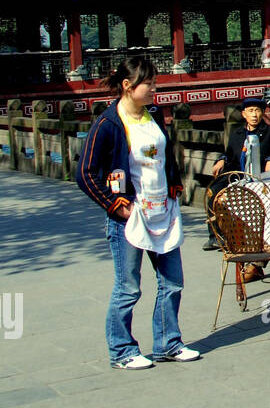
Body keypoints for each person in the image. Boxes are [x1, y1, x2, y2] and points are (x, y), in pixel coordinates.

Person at [76, 57, 200, 369]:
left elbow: (165, 157)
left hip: (162, 211)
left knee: (172, 282)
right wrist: (115, 203)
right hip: (129, 218)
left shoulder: (154, 115)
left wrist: (173, 184)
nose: (155, 89)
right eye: (149, 84)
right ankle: (122, 350)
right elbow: (85, 173)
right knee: (128, 287)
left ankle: (168, 343)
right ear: (128, 87)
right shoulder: (108, 124)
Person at [209, 97, 270, 273]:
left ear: (263, 113)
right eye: (251, 111)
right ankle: (217, 236)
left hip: (260, 177)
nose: (254, 115)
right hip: (237, 174)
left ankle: (259, 251)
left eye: (258, 110)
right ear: (244, 114)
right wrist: (222, 160)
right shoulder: (237, 133)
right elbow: (229, 153)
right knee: (213, 191)